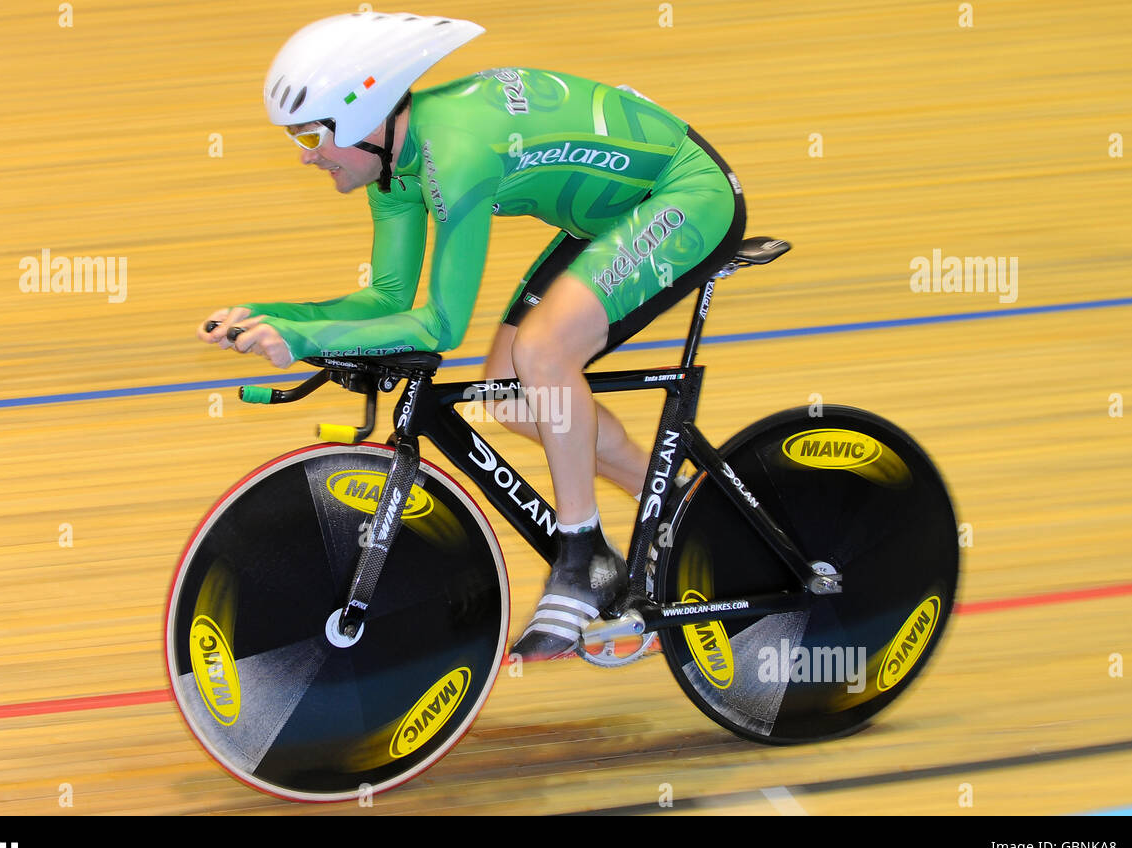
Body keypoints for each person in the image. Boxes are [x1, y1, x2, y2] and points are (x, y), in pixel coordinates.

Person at [198, 11, 747, 661]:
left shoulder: (454, 154)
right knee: (507, 396)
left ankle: (581, 558)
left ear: (367, 114)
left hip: (685, 194)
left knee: (542, 351)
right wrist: (270, 313)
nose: (303, 152)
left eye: (311, 132)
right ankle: (692, 507)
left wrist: (302, 338)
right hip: (613, 212)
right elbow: (388, 299)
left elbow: (440, 326)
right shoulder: (393, 165)